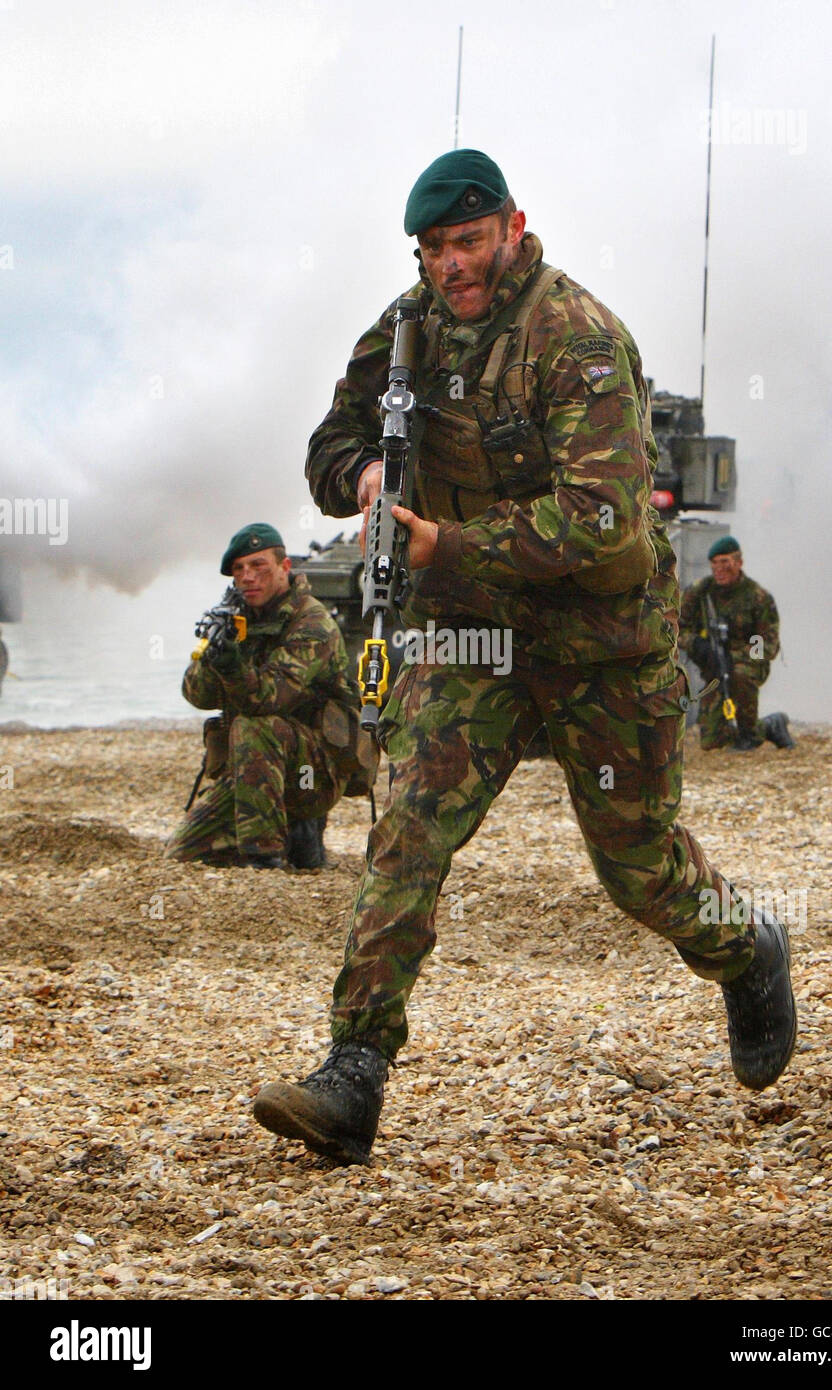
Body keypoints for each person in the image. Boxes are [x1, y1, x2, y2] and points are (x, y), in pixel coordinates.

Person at [252, 150, 797, 1164]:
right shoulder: (406, 328)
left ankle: (745, 948)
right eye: (433, 248)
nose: (451, 264)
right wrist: (368, 473)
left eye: (467, 241)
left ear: (513, 225)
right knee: (407, 824)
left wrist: (445, 545)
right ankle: (354, 1073)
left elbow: (605, 527)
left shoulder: (575, 337)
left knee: (638, 871)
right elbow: (329, 443)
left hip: (602, 642)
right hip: (473, 639)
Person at [166, 523, 377, 869]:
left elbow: (267, 698)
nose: (247, 577)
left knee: (255, 725)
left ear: (284, 568)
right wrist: (215, 655)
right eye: (239, 570)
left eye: (258, 566)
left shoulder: (312, 623)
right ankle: (287, 837)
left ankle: (265, 857)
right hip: (252, 775)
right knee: (183, 852)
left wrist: (233, 666)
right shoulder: (236, 619)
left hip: (315, 774)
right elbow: (195, 694)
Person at [679, 535, 794, 751]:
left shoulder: (758, 597)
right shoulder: (699, 593)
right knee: (712, 742)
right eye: (715, 563)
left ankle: (749, 734)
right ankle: (769, 726)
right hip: (713, 667)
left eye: (725, 563)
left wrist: (740, 656)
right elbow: (676, 629)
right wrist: (697, 644)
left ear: (739, 563)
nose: (719, 569)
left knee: (740, 676)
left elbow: (768, 643)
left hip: (748, 666)